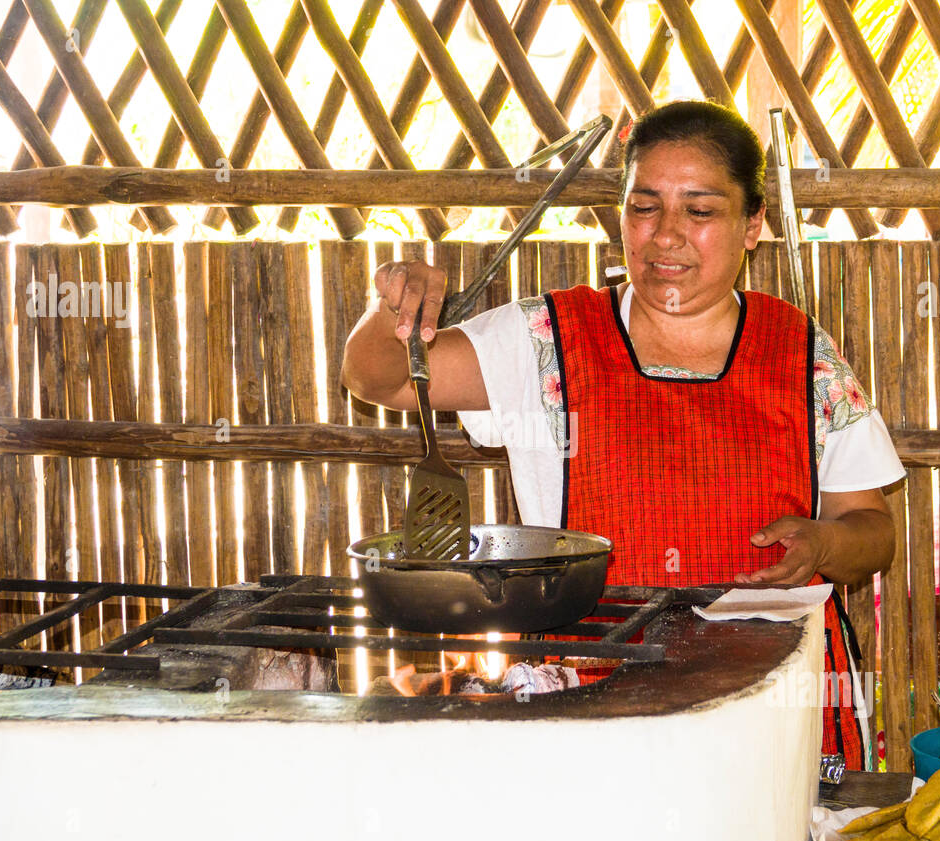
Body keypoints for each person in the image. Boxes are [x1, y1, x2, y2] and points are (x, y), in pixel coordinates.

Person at [342, 100, 904, 770]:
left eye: (699, 210)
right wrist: (395, 309)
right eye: (644, 207)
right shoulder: (547, 339)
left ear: (753, 224)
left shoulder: (803, 354)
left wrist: (822, 541)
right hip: (592, 704)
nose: (666, 234)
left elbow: (872, 532)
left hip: (775, 711)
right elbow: (380, 379)